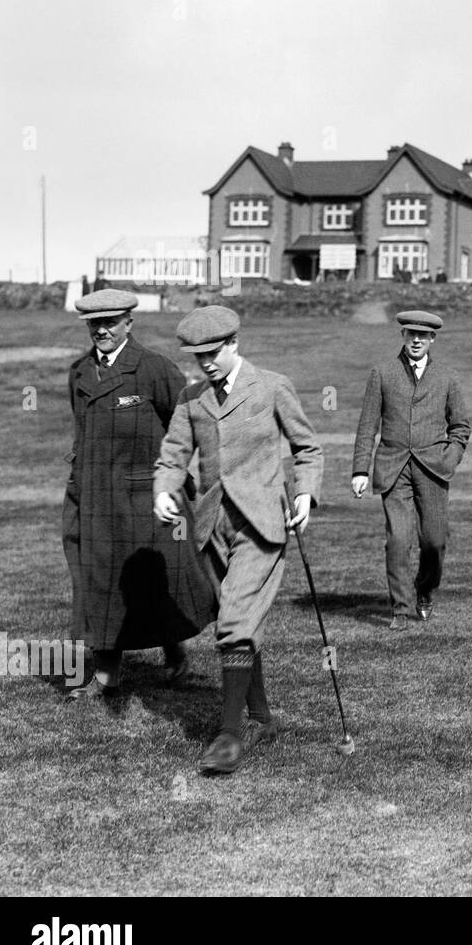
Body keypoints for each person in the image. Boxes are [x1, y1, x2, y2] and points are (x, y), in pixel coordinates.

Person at [154, 306, 323, 774]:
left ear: (233, 344)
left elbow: (308, 446)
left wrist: (306, 493)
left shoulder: (271, 386)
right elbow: (172, 454)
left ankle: (228, 735)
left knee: (234, 619)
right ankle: (262, 718)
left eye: (211, 353)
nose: (204, 363)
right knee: (238, 618)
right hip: (212, 528)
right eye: (196, 356)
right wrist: (164, 488)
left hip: (264, 525)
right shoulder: (191, 399)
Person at [63, 289, 213, 700]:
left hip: (144, 499)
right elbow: (82, 433)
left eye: (110, 322)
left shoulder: (154, 370)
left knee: (153, 579)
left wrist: (178, 480)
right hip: (92, 497)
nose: (102, 330)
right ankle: (107, 674)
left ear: (130, 322)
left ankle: (175, 651)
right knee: (97, 580)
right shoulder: (78, 373)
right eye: (95, 324)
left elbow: (185, 427)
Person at [352, 310, 471, 629]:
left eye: (423, 335)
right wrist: (360, 470)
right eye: (410, 334)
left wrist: (450, 457)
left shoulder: (448, 376)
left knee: (434, 542)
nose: (416, 340)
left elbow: (460, 426)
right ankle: (401, 610)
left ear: (433, 339)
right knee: (397, 541)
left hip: (434, 470)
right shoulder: (382, 373)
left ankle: (425, 590)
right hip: (393, 468)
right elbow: (367, 426)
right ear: (402, 336)